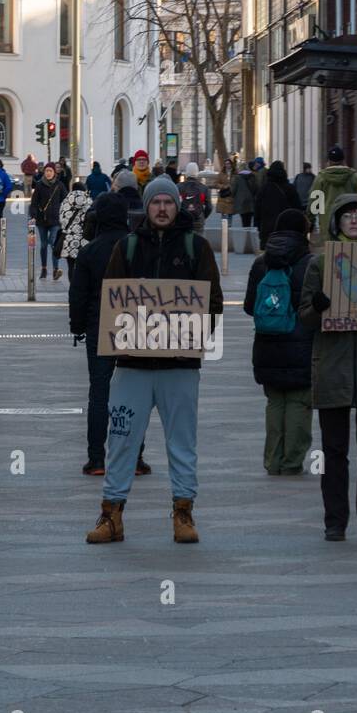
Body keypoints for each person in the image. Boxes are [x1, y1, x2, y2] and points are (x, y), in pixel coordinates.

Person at [85, 176, 224, 545]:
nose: (162, 208)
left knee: (182, 442)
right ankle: (111, 514)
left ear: (178, 206)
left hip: (179, 364)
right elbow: (111, 300)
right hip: (133, 364)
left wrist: (190, 333)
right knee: (121, 439)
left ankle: (183, 512)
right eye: (155, 202)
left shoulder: (197, 247)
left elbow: (212, 302)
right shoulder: (127, 247)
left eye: (168, 202)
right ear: (146, 207)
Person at [298, 195, 357, 540]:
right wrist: (318, 307)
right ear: (336, 222)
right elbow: (304, 316)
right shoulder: (320, 264)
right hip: (333, 367)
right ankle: (335, 521)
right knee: (334, 451)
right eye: (347, 216)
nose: (354, 221)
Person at [247, 208, 315, 477]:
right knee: (298, 402)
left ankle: (272, 461)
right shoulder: (311, 263)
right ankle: (291, 462)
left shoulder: (261, 263)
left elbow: (250, 307)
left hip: (267, 345)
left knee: (274, 402)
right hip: (302, 346)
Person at [69, 193, 131, 475]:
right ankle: (135, 458)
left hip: (99, 325)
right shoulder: (136, 246)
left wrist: (77, 326)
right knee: (133, 394)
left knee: (99, 392)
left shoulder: (90, 250)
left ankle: (96, 458)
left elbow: (78, 294)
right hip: (134, 326)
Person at [308, 146, 357, 246]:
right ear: (343, 160)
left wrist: (310, 220)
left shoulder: (321, 178)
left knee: (330, 254)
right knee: (348, 254)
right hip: (351, 223)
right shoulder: (354, 177)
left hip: (327, 222)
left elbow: (314, 203)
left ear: (328, 161)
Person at [30, 162, 65, 280]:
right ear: (44, 172)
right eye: (46, 171)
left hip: (55, 219)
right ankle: (44, 269)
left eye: (50, 171)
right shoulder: (39, 185)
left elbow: (65, 201)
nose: (48, 173)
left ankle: (55, 269)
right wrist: (33, 215)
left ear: (54, 172)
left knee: (53, 242)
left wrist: (64, 214)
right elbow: (34, 203)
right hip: (42, 219)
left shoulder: (59, 185)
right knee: (44, 244)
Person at [254, 160, 302, 249]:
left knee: (268, 256)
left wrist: (258, 225)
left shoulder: (264, 189)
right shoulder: (290, 188)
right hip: (286, 229)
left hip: (267, 229)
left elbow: (257, 208)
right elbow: (297, 208)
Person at [57, 180, 92, 280]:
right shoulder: (88, 200)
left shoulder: (65, 201)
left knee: (71, 266)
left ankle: (72, 288)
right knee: (83, 267)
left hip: (69, 238)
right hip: (84, 238)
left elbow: (61, 218)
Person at [176, 162, 213, 233]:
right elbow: (209, 207)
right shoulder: (204, 188)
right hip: (198, 220)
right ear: (197, 173)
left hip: (183, 219)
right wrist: (203, 216)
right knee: (198, 242)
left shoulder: (179, 187)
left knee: (183, 241)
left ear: (186, 173)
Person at [229, 159, 258, 229]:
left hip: (241, 202)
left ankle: (246, 236)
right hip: (251, 201)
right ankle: (249, 234)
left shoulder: (237, 177)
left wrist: (232, 196)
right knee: (249, 219)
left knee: (244, 221)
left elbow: (233, 190)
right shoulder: (252, 176)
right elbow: (255, 188)